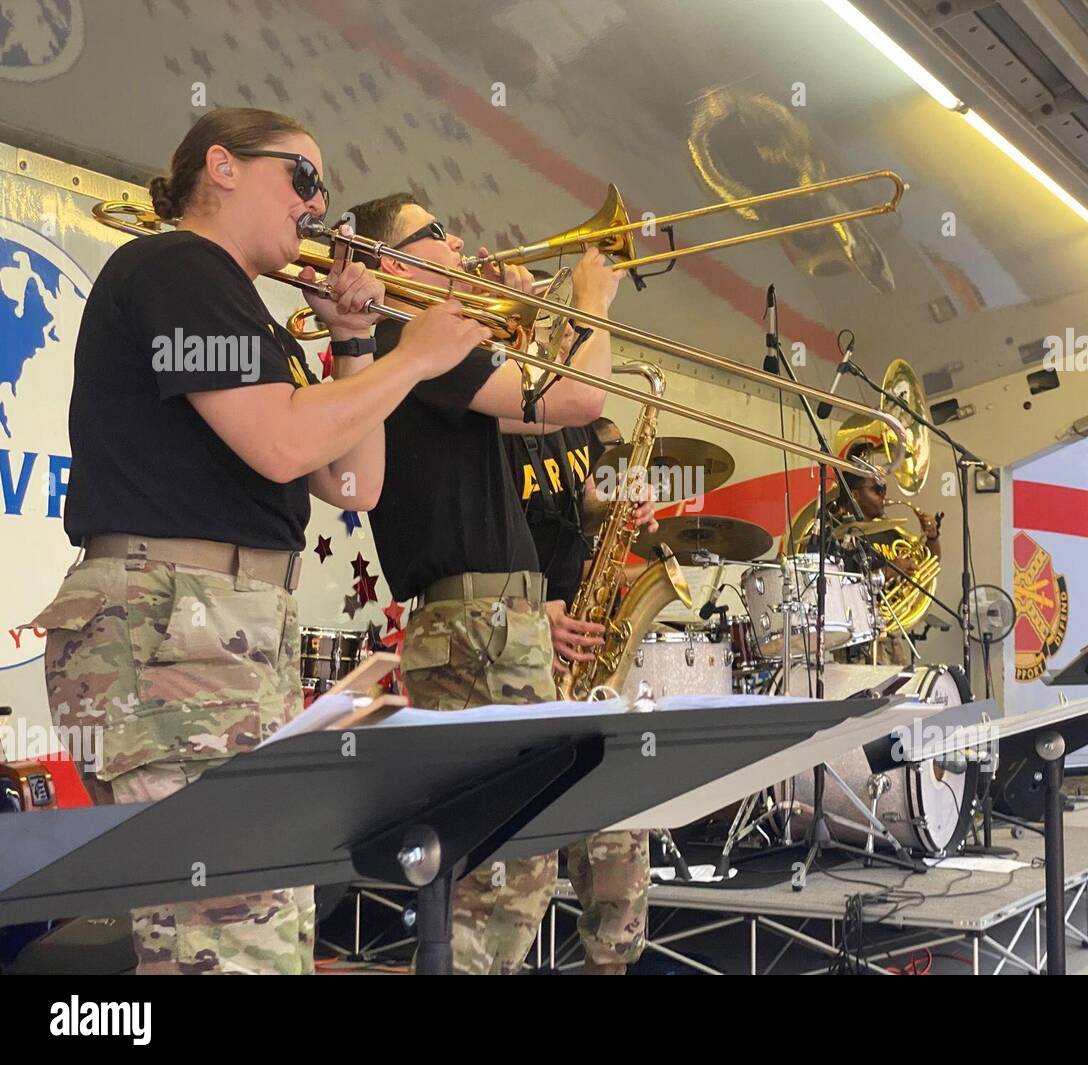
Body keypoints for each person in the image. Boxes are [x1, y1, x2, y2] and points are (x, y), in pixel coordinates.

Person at [25, 108, 487, 974]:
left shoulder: (245, 308)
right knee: (228, 932)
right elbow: (278, 441)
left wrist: (356, 344)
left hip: (218, 631)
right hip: (176, 627)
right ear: (224, 166)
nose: (316, 206)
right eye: (303, 178)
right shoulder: (179, 266)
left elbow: (352, 484)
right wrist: (414, 359)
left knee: (246, 927)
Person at [345, 191, 621, 974]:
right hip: (478, 628)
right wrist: (593, 300)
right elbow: (579, 400)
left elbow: (540, 414)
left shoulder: (427, 352)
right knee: (508, 873)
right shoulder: (408, 337)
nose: (461, 239)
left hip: (493, 624)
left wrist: (539, 327)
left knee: (514, 865)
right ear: (390, 263)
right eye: (435, 233)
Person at [503, 411, 656, 974]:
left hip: (579, 641)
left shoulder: (578, 426)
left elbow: (575, 504)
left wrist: (619, 508)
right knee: (516, 860)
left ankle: (610, 962)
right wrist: (527, 613)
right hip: (511, 637)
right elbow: (468, 529)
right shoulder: (492, 412)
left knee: (619, 825)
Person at [836, 445, 940, 666]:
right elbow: (840, 587)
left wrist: (931, 536)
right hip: (856, 640)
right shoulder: (839, 536)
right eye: (877, 489)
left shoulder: (891, 531)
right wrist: (889, 570)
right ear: (855, 494)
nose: (884, 495)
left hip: (890, 634)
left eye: (884, 489)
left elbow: (928, 564)